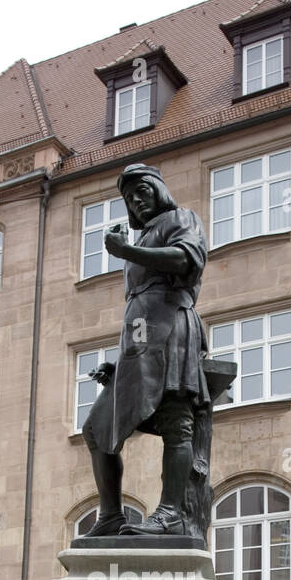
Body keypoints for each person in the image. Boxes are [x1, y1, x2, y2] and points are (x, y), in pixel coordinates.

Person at [81, 164, 212, 537]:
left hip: (173, 327)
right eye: (128, 197)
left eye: (142, 191)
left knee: (176, 421)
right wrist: (121, 361)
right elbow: (138, 312)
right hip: (139, 341)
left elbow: (188, 260)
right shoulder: (144, 240)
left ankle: (170, 511)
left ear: (158, 189)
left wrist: (130, 251)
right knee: (97, 429)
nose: (136, 200)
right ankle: (110, 516)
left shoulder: (179, 218)